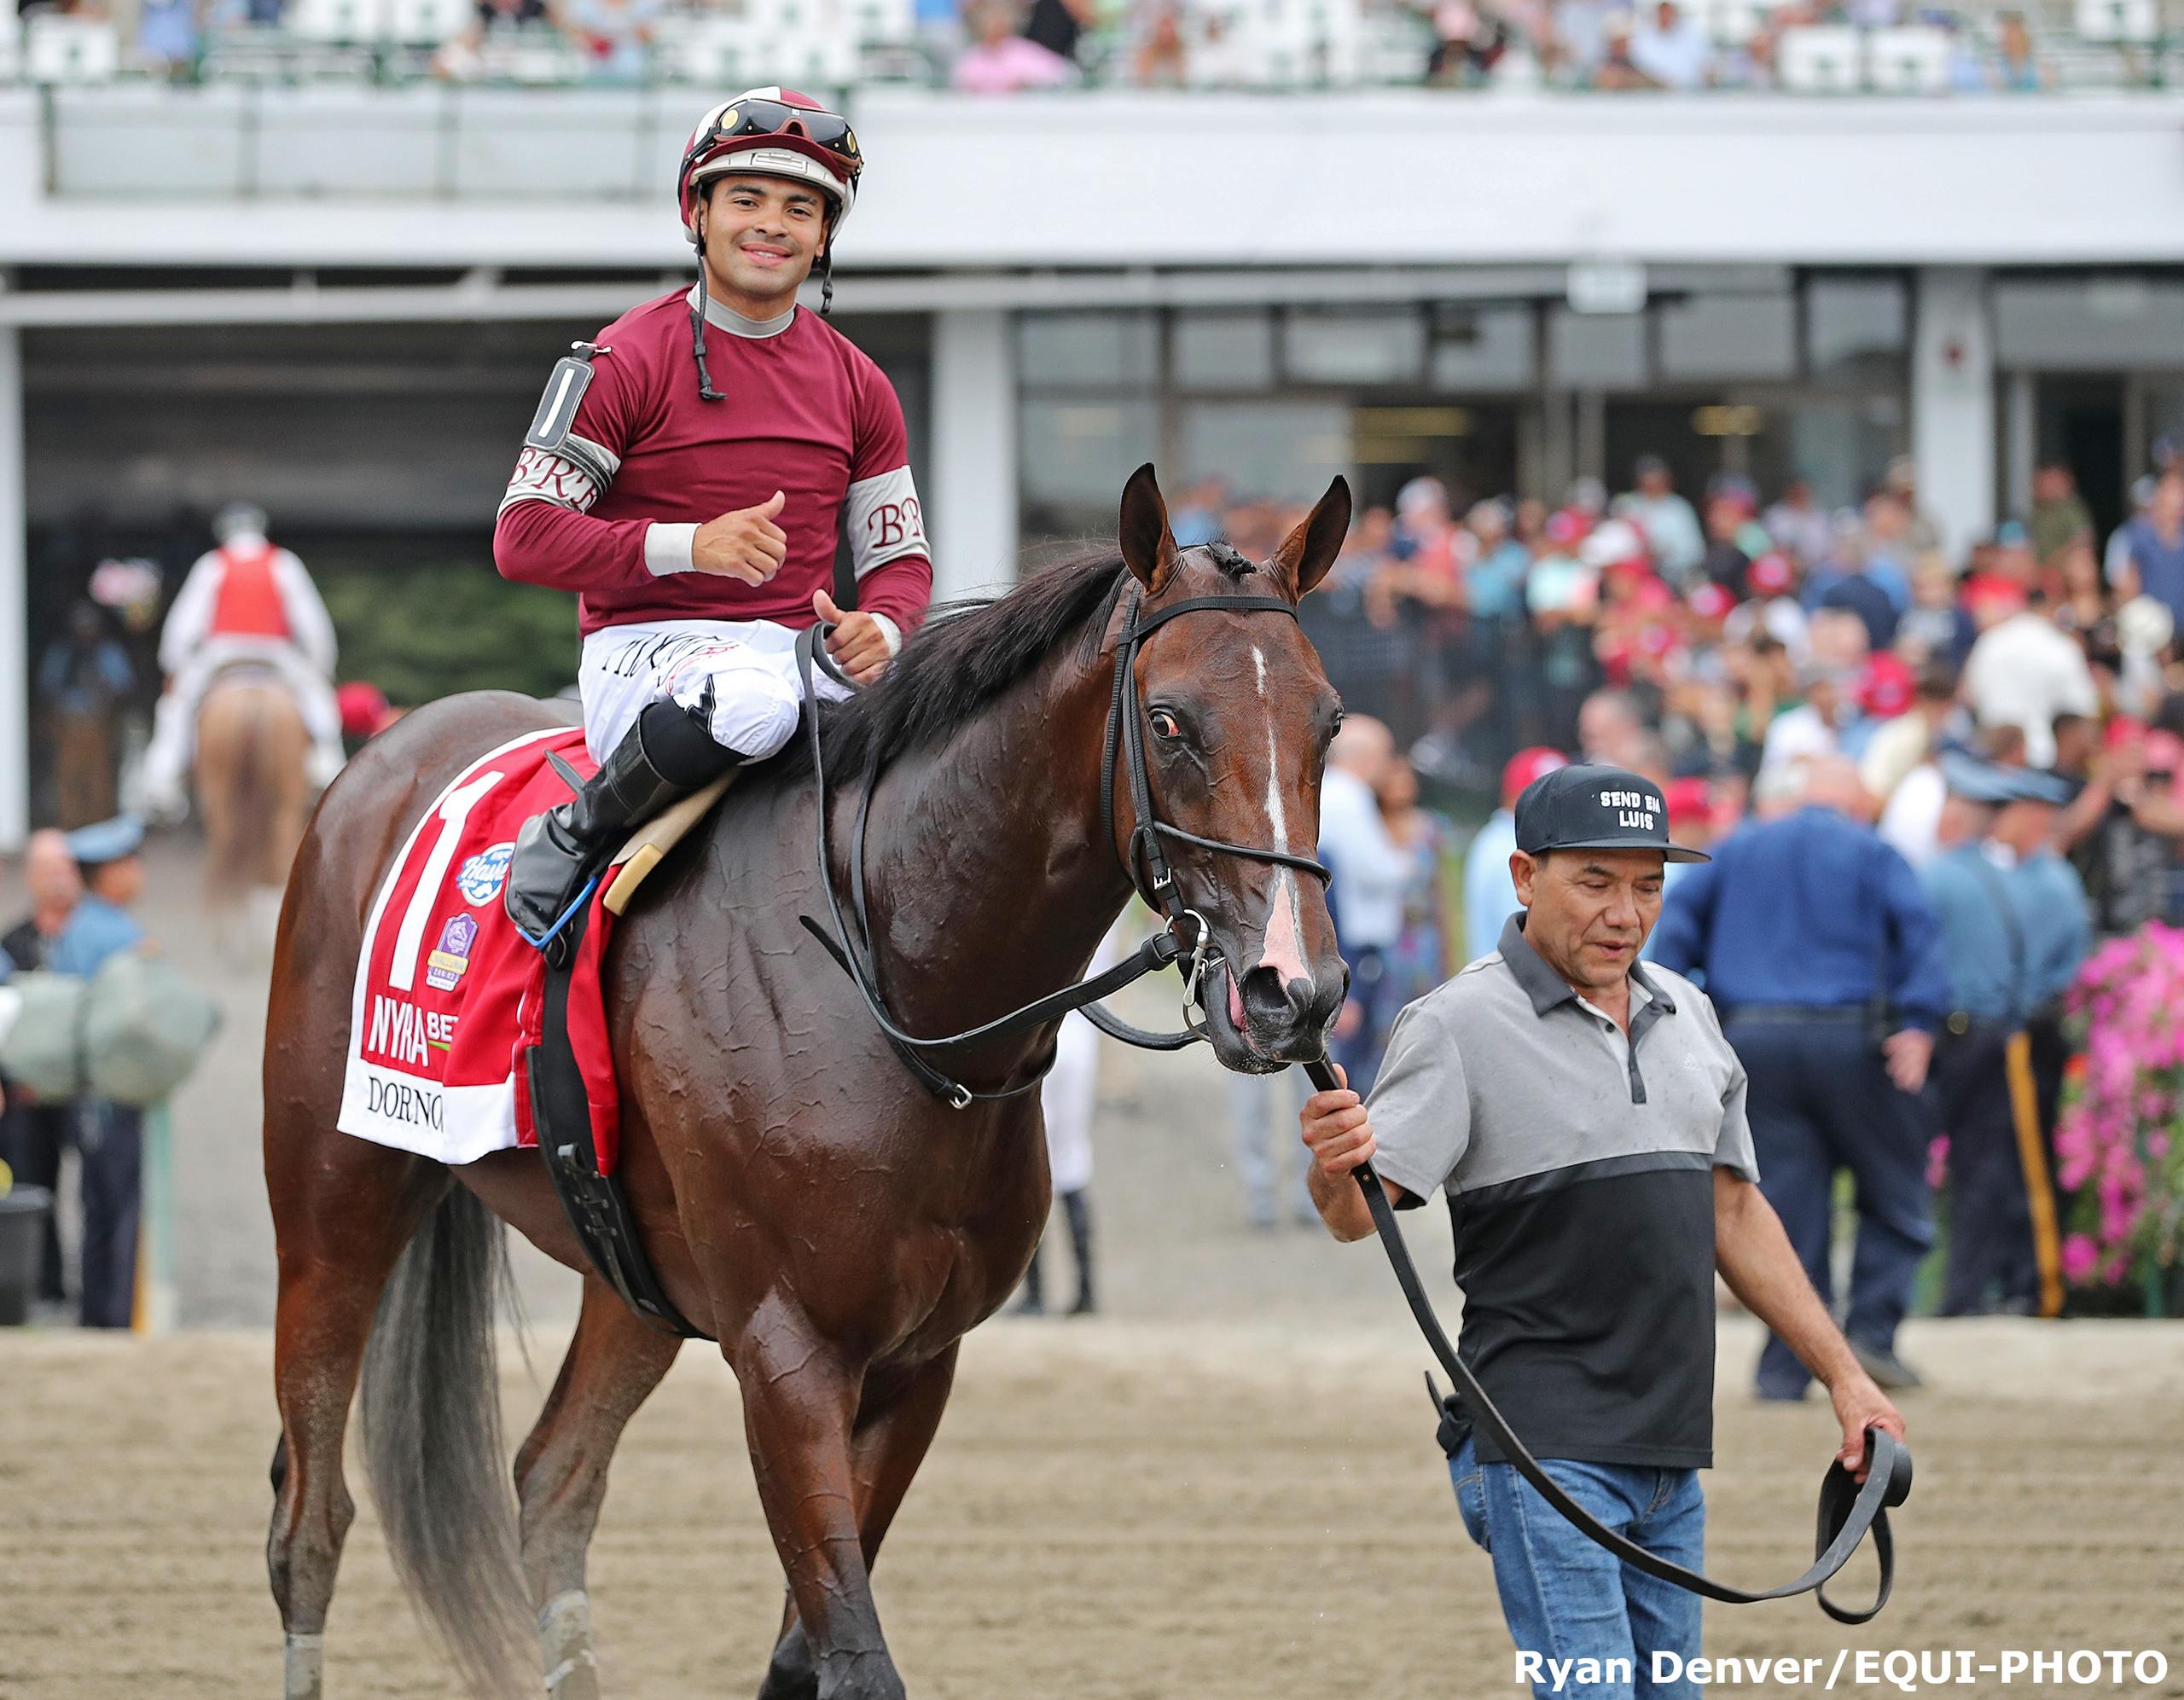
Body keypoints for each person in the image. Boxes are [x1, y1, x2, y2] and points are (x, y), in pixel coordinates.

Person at [1298, 764, 1902, 1700]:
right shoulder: (1455, 1023)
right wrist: (1333, 1164)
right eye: (1595, 881)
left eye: (1647, 886)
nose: (1625, 913)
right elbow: (1353, 1215)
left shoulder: (1691, 1013)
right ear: (1524, 876)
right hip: (1543, 1448)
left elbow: (1734, 1211)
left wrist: (1845, 1376)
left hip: (1671, 1454)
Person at [493, 90, 932, 947]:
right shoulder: (620, 358)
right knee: (753, 706)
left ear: (823, 236)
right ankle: (575, 830)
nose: (771, 226)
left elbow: (899, 560)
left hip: (799, 652)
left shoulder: (861, 384)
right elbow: (523, 536)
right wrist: (688, 546)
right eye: (747, 200)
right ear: (697, 214)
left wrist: (883, 627)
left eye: (800, 209)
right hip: (645, 652)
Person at [1649, 756, 1949, 1400]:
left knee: (1783, 1204)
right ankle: (1871, 1336)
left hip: (1754, 1041)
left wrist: (1682, 1015)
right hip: (1856, 1041)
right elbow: (1921, 935)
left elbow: (1673, 931)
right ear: (1850, 798)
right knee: (1894, 1192)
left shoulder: (1735, 849)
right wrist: (1920, 1022)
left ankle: (1787, 1365)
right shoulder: (1874, 852)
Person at [1920, 755, 2086, 1320]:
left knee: (1999, 1166)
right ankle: (1998, 1287)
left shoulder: (2023, 879)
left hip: (1989, 1035)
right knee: (1994, 1164)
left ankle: (2013, 1287)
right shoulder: (2004, 877)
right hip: (2000, 1035)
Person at [139, 502, 346, 822]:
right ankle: (326, 769)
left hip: (221, 655)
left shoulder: (212, 564)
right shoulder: (285, 563)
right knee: (318, 700)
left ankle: (163, 785)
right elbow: (312, 624)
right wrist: (322, 667)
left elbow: (183, 625)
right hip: (275, 654)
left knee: (175, 709)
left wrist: (172, 668)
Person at [48, 816, 151, 1331]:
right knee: (121, 1209)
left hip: (84, 1096)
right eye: (129, 864)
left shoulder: (77, 927)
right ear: (108, 874)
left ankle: (95, 1314)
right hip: (113, 1096)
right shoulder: (120, 936)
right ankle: (116, 1318)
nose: (138, 873)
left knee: (94, 1207)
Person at [0, 830, 83, 1308]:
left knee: (102, 1191)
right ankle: (43, 1282)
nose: (59, 879)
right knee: (32, 1181)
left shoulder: (91, 938)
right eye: (49, 869)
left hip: (85, 1089)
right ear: (30, 878)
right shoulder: (13, 943)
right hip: (27, 1092)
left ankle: (98, 1292)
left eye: (66, 868)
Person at [1960, 584, 2098, 769]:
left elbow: (1967, 696)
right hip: (2043, 756)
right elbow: (2083, 708)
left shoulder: (1991, 640)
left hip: (1993, 756)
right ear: (2051, 607)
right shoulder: (2062, 647)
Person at [36, 602, 136, 829]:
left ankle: (100, 827)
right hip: (68, 724)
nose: (85, 634)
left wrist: (103, 690)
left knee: (99, 778)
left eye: (89, 629)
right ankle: (71, 826)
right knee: (69, 777)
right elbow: (48, 688)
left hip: (99, 722)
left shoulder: (108, 652)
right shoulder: (62, 652)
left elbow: (124, 687)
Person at [1464, 746, 1565, 964]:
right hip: (1513, 976)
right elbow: (1529, 935)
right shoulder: (1510, 847)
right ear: (1514, 795)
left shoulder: (1495, 838)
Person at [1614, 456, 1704, 586]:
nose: (1652, 484)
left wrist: (1663, 556)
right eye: (1647, 478)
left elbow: (1695, 552)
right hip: (1633, 577)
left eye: (1657, 478)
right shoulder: (1627, 504)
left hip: (1675, 577)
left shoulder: (1680, 508)